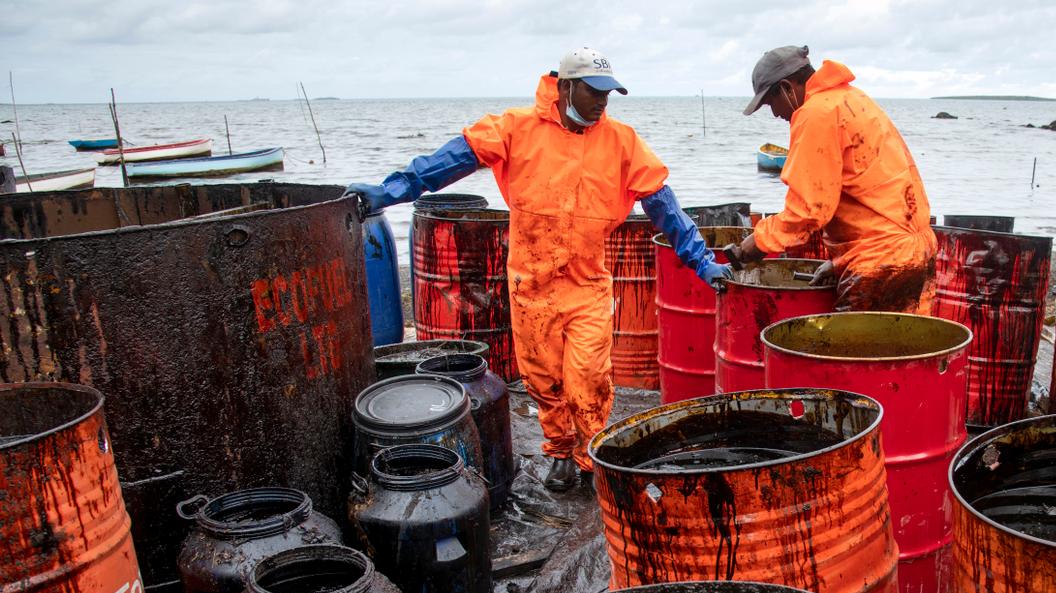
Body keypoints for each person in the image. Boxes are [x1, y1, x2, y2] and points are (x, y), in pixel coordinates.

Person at [347, 48, 732, 492]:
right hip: (532, 286)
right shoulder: (515, 129)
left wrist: (704, 263)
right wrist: (385, 192)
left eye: (609, 93)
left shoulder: (622, 141)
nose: (602, 102)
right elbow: (444, 164)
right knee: (543, 379)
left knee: (589, 378)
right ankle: (559, 451)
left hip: (587, 285)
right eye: (593, 91)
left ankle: (593, 460)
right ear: (566, 86)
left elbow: (664, 205)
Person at [726, 45, 938, 314]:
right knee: (906, 352)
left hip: (880, 263)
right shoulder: (852, 99)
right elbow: (871, 194)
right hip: (916, 252)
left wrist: (754, 245)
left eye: (771, 103)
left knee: (851, 353)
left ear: (787, 88)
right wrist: (840, 263)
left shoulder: (817, 114)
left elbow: (808, 211)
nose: (776, 114)